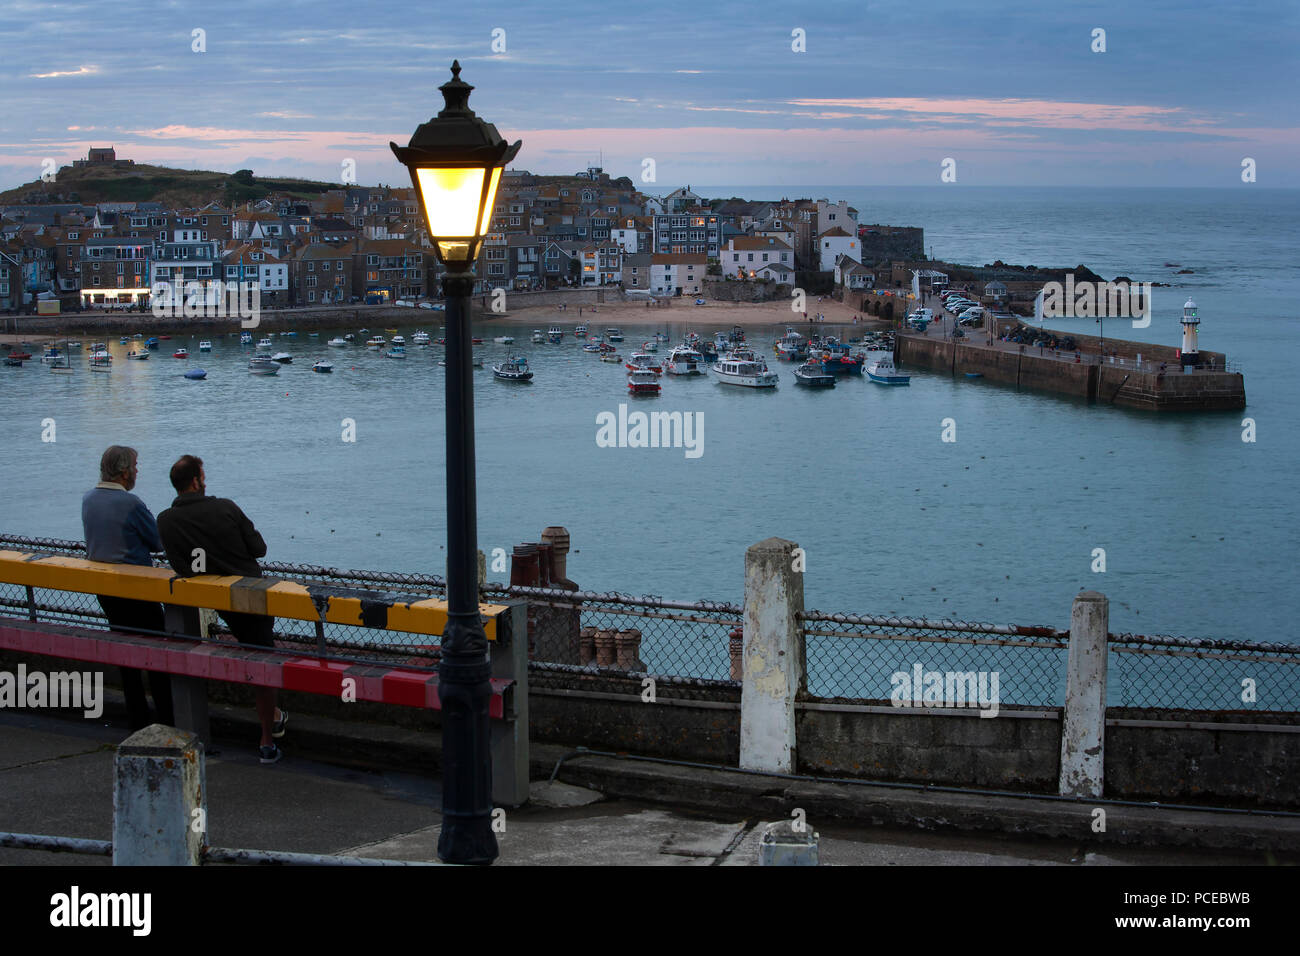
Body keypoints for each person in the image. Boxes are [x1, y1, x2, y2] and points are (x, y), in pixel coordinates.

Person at [157, 455, 286, 765]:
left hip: (216, 599)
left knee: (251, 654)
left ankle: (273, 718)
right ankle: (267, 740)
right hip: (250, 596)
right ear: (196, 482)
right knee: (263, 662)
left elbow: (181, 567)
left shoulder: (166, 520)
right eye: (203, 475)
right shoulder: (226, 507)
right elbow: (259, 548)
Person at [81, 445, 174, 731]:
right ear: (124, 473)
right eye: (135, 465)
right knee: (158, 652)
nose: (137, 470)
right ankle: (167, 717)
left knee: (125, 655)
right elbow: (158, 542)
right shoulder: (131, 503)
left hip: (106, 590)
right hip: (136, 590)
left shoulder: (88, 499)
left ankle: (137, 718)